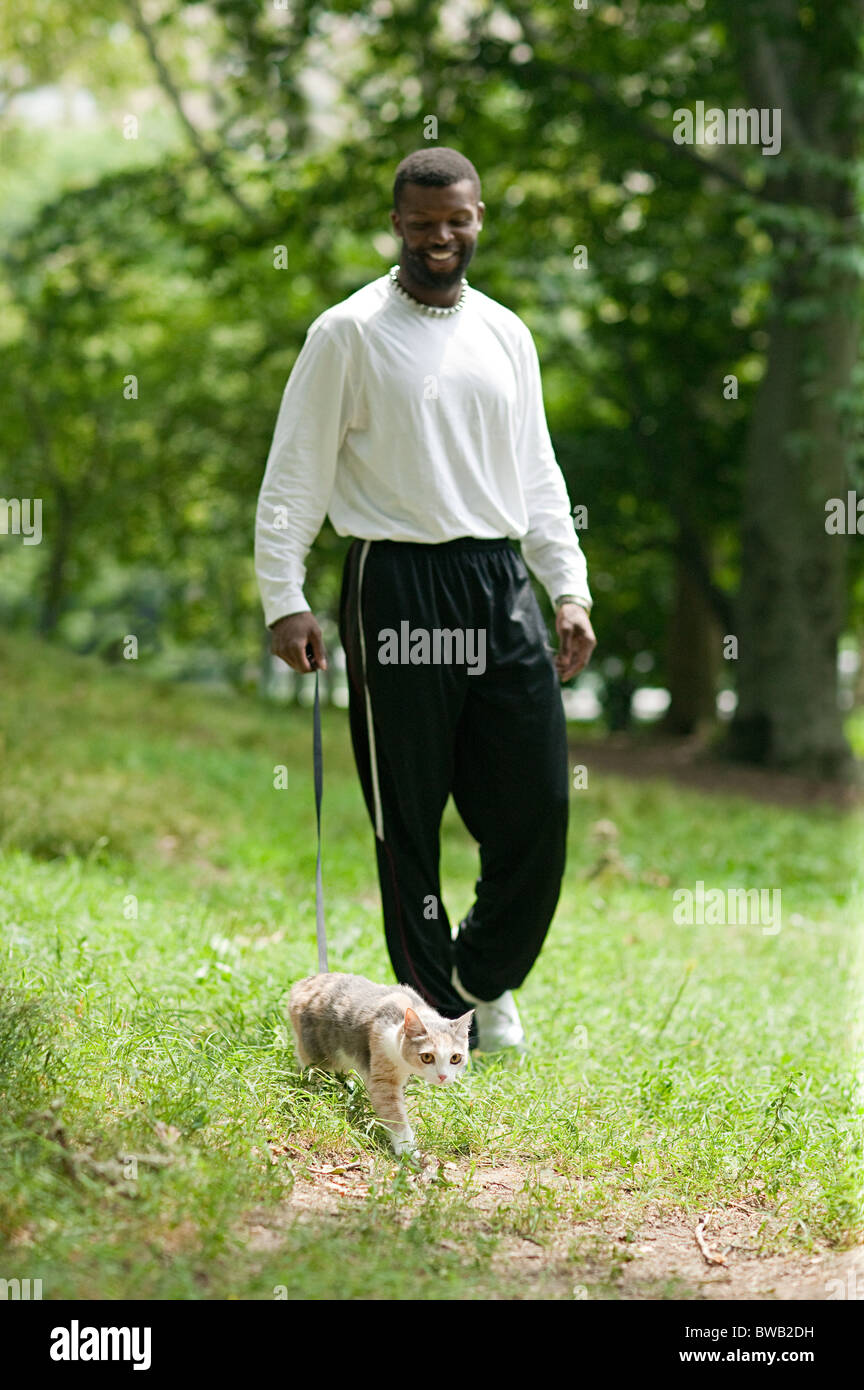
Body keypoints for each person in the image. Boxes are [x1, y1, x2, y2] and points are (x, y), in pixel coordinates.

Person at [255, 147, 596, 1053]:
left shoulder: (505, 333)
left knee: (534, 802)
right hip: (396, 581)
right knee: (408, 811)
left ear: (479, 218)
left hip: (497, 579)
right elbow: (295, 471)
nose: (441, 237)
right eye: (422, 222)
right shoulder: (349, 332)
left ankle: (482, 980)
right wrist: (282, 595)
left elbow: (537, 471)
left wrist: (568, 586)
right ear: (397, 223)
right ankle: (435, 1011)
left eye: (458, 220)